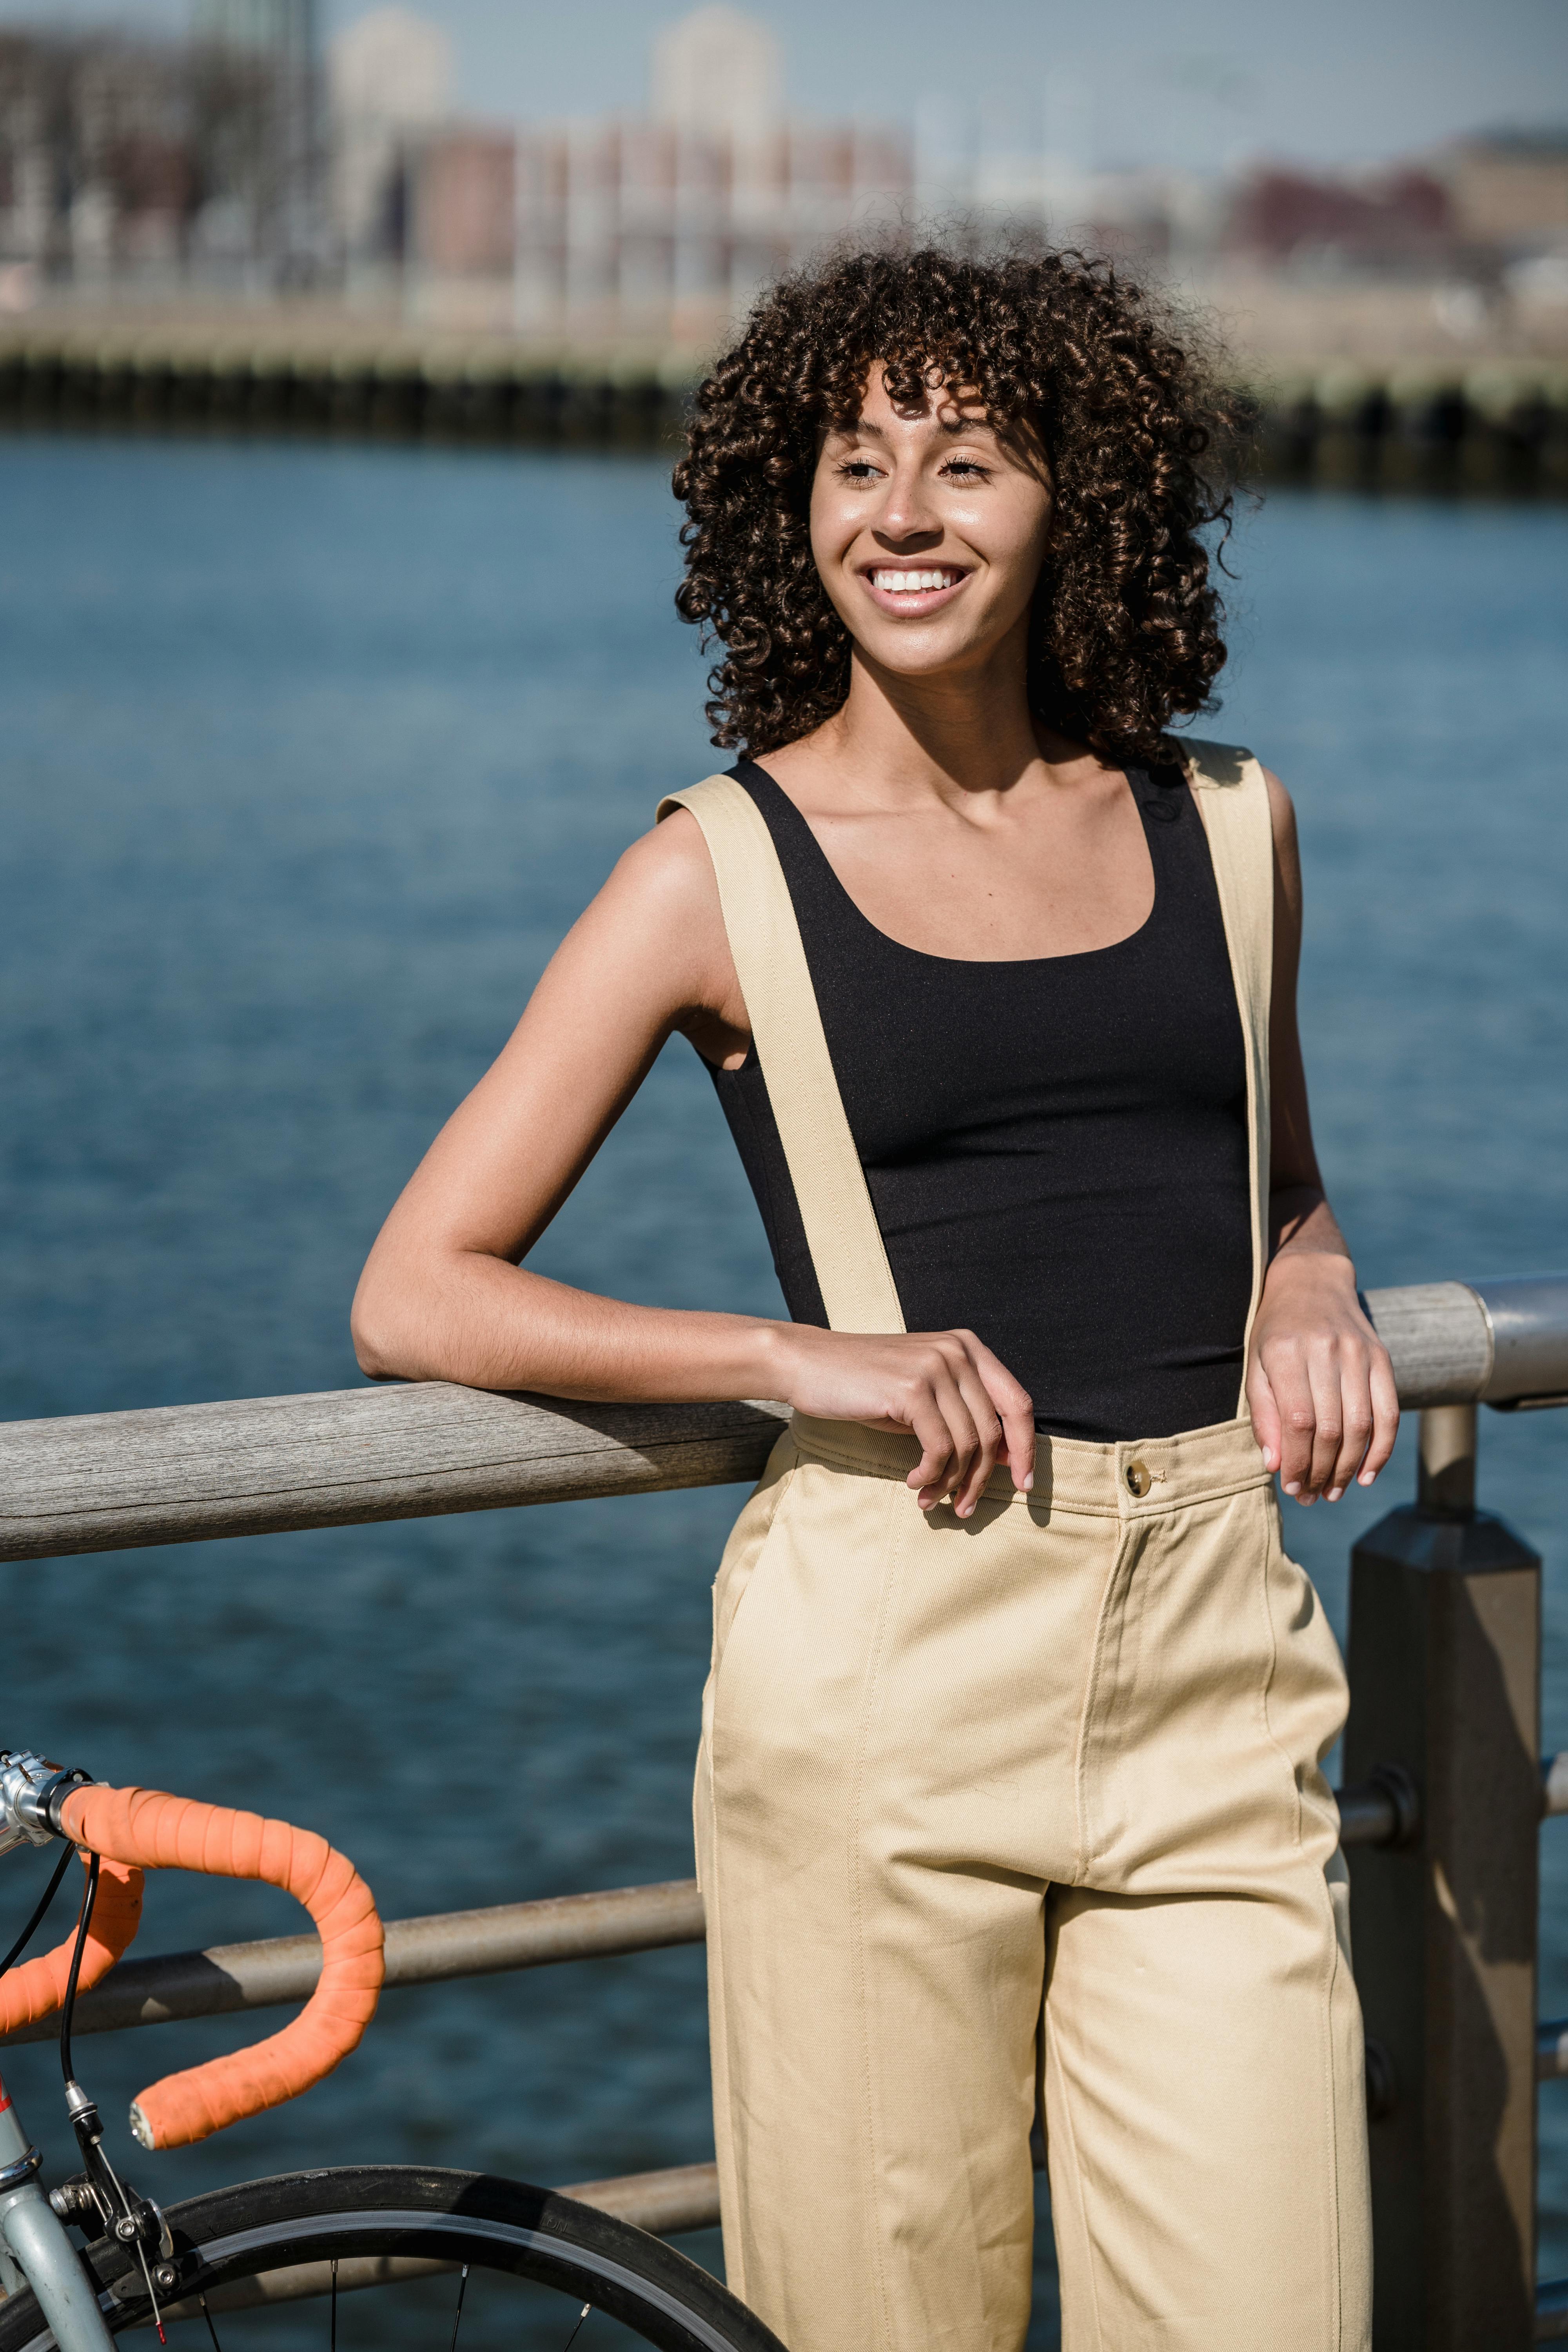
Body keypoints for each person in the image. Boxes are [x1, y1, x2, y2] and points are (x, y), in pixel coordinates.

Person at [352, 243, 1397, 2352]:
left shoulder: (1234, 826)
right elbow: (418, 1289)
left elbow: (1270, 1182)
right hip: (887, 1682)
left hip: (1219, 1661)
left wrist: (1315, 1276)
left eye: (967, 462)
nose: (900, 515)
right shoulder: (709, 872)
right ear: (786, 504)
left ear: (1075, 500)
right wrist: (781, 1354)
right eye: (854, 463)